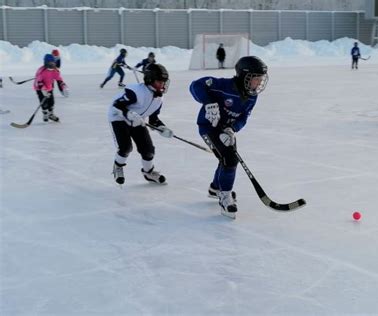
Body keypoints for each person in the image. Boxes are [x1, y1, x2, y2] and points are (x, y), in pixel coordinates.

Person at [189, 56, 269, 219]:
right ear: (244, 76)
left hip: (226, 130)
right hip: (208, 127)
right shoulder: (222, 85)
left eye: (261, 79)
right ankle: (225, 197)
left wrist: (232, 129)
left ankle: (215, 188)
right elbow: (195, 85)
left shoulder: (252, 96)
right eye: (256, 79)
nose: (259, 83)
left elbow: (244, 117)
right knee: (230, 159)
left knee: (227, 159)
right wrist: (208, 102)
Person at [107, 63, 174, 186]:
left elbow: (153, 119)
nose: (163, 85)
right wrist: (128, 114)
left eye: (164, 82)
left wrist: (161, 127)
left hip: (138, 120)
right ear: (150, 80)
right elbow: (116, 105)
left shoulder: (159, 99)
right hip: (118, 118)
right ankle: (118, 166)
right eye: (160, 81)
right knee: (126, 147)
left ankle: (148, 172)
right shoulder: (135, 92)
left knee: (148, 150)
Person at [33, 53, 68, 122]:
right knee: (44, 102)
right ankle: (45, 114)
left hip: (49, 87)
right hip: (39, 88)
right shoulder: (41, 71)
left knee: (51, 101)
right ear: (45, 63)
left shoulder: (55, 71)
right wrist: (43, 89)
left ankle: (51, 114)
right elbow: (38, 82)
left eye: (52, 63)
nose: (51, 65)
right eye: (49, 63)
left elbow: (59, 79)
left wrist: (63, 85)